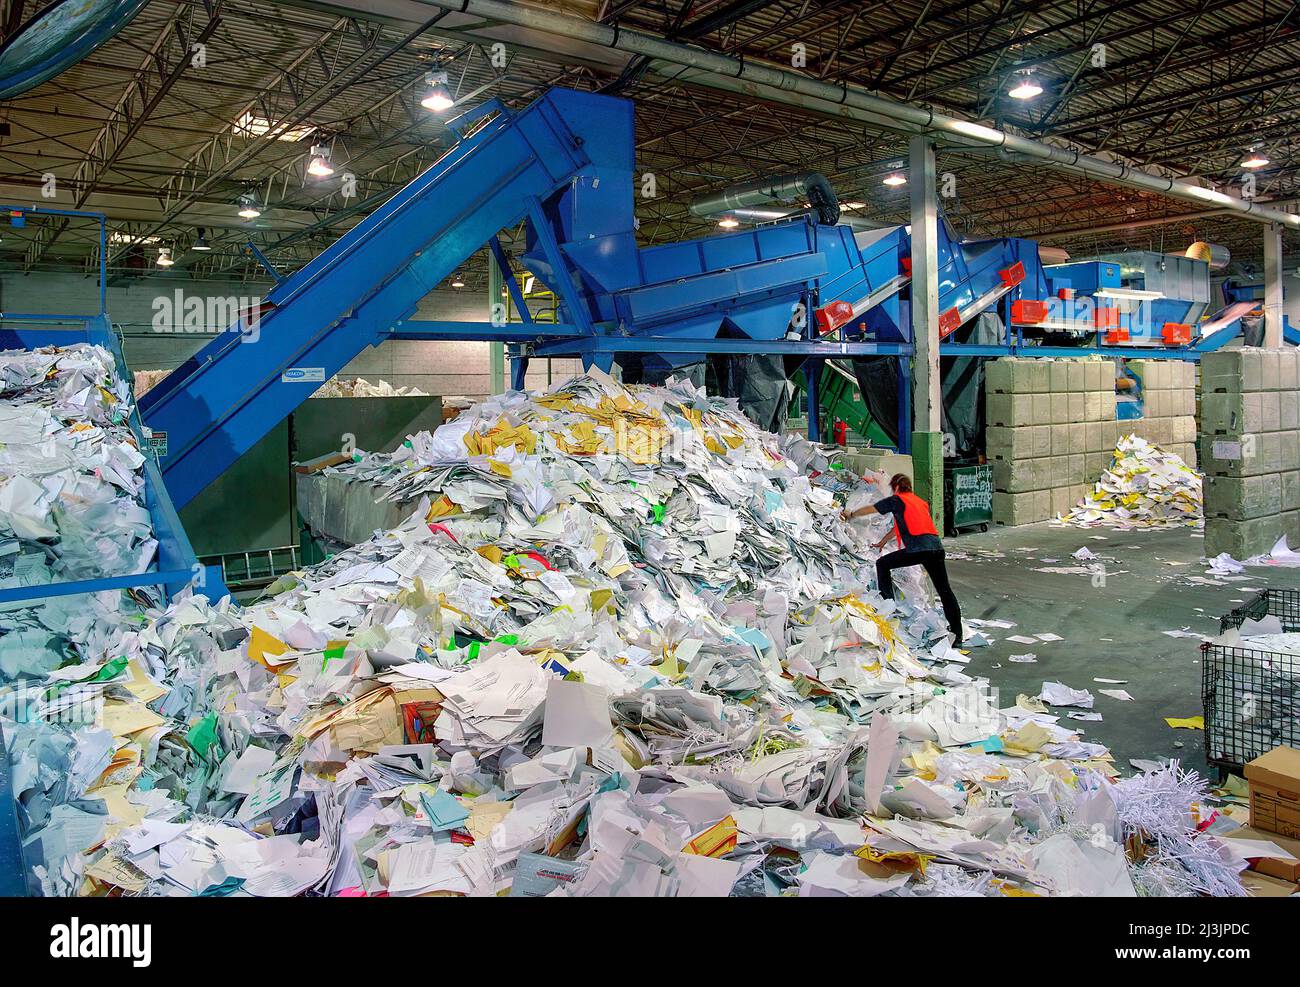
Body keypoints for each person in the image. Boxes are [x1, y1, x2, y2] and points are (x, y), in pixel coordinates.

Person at [842, 473, 963, 643]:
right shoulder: (919, 502)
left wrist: (851, 514)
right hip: (936, 548)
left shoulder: (897, 500)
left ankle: (887, 607)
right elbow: (902, 525)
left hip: (918, 549)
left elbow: (872, 509)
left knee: (882, 563)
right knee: (945, 591)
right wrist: (882, 542)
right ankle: (957, 635)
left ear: (897, 487)